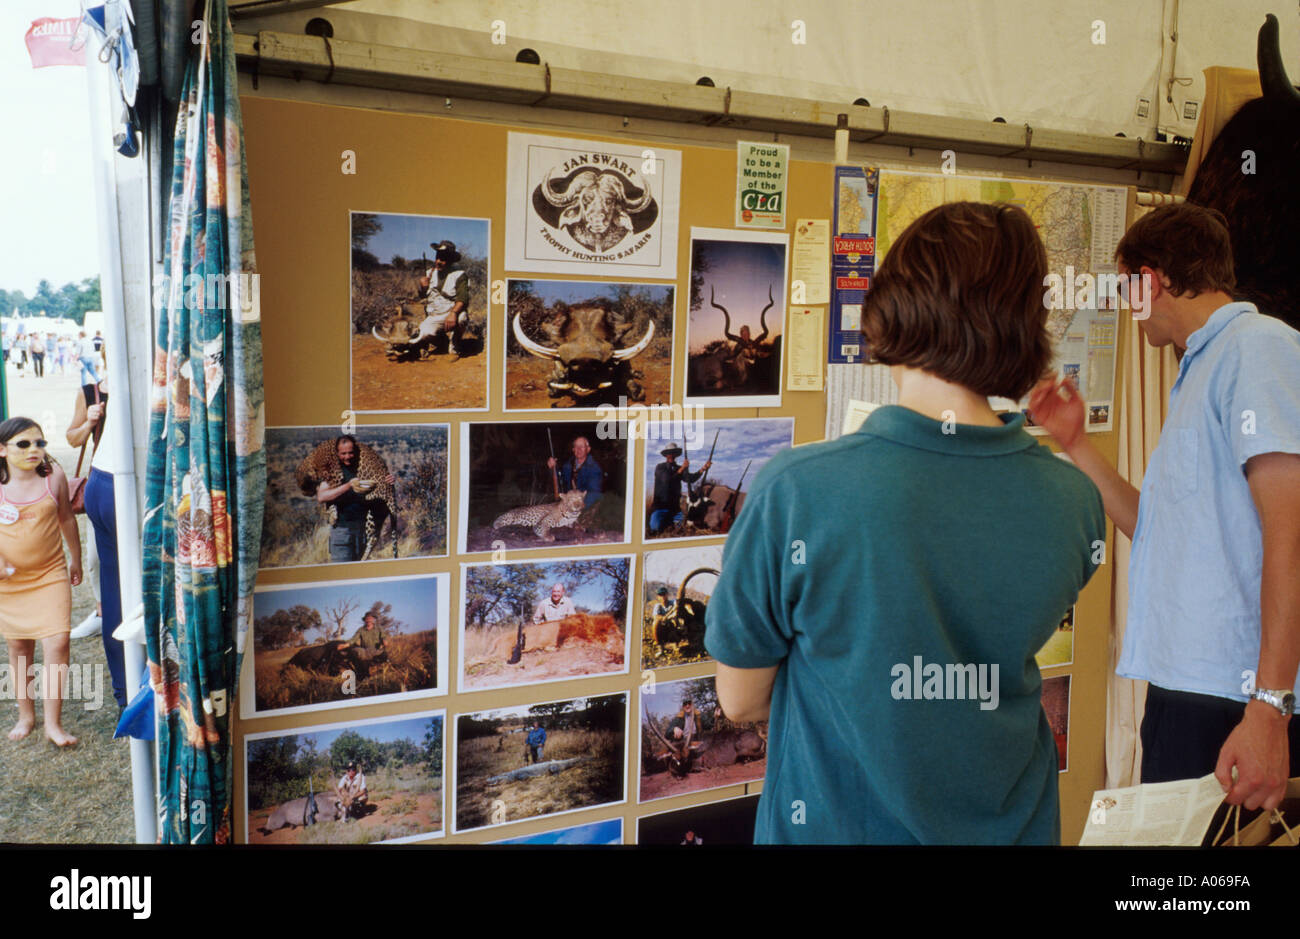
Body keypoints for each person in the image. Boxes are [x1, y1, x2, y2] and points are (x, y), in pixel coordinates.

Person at [705, 202, 1105, 844]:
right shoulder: (1074, 500)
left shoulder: (797, 489)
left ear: (889, 307)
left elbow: (741, 700)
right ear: (1024, 327)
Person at [1029, 203, 1300, 810]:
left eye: (1128, 286)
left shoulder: (1258, 350)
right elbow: (1152, 528)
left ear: (1152, 281)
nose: (1128, 305)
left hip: (1235, 699)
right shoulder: (1201, 365)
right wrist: (1075, 444)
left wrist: (1270, 709)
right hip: (1187, 689)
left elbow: (1294, 539)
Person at [0, 418, 83, 747]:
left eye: (39, 443)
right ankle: (26, 715)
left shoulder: (54, 477)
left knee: (58, 643)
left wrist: (75, 557)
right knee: (19, 647)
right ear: (2, 450)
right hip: (10, 583)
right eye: (24, 444)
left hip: (50, 574)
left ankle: (53, 724)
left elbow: (66, 517)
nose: (34, 450)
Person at [64, 377, 128, 710]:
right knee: (102, 569)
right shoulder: (91, 391)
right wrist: (90, 420)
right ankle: (101, 614)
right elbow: (72, 438)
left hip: (107, 479)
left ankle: (124, 692)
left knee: (113, 580)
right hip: (111, 479)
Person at [313, 435, 394, 563]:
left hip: (362, 532)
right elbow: (321, 497)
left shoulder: (362, 469)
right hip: (342, 531)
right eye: (343, 453)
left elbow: (374, 489)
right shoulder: (332, 471)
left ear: (355, 452)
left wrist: (387, 481)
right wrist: (348, 485)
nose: (347, 457)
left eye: (350, 453)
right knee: (342, 574)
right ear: (337, 453)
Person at [410, 240, 470, 357]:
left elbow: (463, 299)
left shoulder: (459, 275)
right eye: (437, 258)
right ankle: (442, 341)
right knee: (423, 334)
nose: (438, 262)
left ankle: (455, 343)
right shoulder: (429, 273)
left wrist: (453, 314)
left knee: (462, 318)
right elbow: (423, 297)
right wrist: (422, 288)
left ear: (451, 260)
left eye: (442, 259)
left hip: (452, 312)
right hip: (435, 315)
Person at [648, 443, 710, 533]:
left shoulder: (679, 468)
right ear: (666, 455)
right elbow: (667, 481)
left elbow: (691, 479)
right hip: (660, 507)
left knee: (681, 529)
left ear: (676, 455)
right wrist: (682, 468)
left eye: (673, 453)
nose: (671, 455)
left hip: (675, 509)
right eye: (669, 453)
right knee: (655, 529)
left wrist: (703, 469)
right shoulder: (660, 467)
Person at [547, 436, 602, 509]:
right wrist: (553, 468)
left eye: (582, 446)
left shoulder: (594, 469)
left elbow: (594, 493)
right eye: (576, 446)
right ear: (573, 449)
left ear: (588, 449)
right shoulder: (568, 465)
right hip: (569, 504)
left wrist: (579, 506)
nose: (578, 449)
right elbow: (560, 482)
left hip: (584, 506)